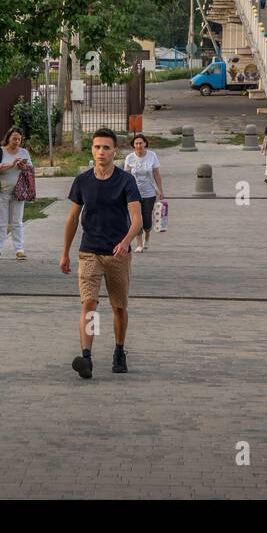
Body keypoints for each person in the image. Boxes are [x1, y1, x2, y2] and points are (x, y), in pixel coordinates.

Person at [60, 128, 142, 379]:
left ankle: (119, 350)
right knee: (89, 303)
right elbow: (73, 218)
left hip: (118, 254)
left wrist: (126, 241)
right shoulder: (83, 181)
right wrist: (65, 253)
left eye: (106, 147)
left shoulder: (126, 181)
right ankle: (86, 357)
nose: (101, 152)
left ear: (115, 151)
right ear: (92, 150)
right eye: (97, 147)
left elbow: (137, 219)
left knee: (119, 307)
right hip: (89, 251)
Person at [0, 127, 34, 260]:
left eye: (19, 139)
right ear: (8, 137)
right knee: (1, 222)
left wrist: (24, 167)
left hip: (19, 192)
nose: (17, 141)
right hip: (2, 192)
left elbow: (31, 169)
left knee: (17, 222)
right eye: (14, 138)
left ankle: (19, 249)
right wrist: (11, 164)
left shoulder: (24, 152)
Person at [124, 133, 165, 253]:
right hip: (134, 193)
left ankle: (147, 236)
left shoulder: (152, 156)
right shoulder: (129, 158)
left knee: (146, 219)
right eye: (136, 143)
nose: (138, 145)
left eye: (141, 143)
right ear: (133, 145)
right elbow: (126, 176)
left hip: (149, 192)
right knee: (137, 218)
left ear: (145, 144)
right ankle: (139, 244)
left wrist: (160, 190)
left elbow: (156, 174)